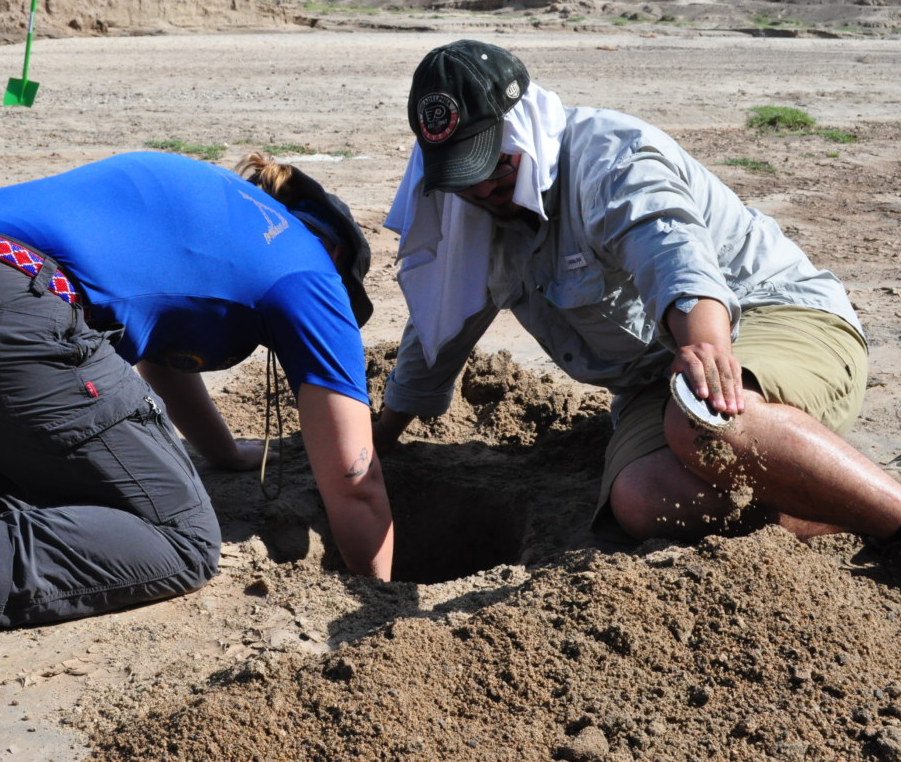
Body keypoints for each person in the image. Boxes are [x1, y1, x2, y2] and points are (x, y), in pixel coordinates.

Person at [0, 151, 394, 643]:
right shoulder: (311, 271)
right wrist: (377, 605)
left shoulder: (223, 213)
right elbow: (354, 480)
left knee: (100, 473)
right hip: (1, 310)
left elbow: (158, 365)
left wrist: (224, 453)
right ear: (336, 254)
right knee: (182, 537)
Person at [374, 39, 901, 545]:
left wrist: (704, 343)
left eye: (497, 166)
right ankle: (854, 508)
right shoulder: (470, 204)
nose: (484, 188)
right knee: (642, 501)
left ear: (523, 130)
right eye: (466, 177)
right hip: (659, 381)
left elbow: (673, 251)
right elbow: (439, 322)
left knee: (702, 421)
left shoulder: (610, 157)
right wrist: (382, 439)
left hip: (771, 315)